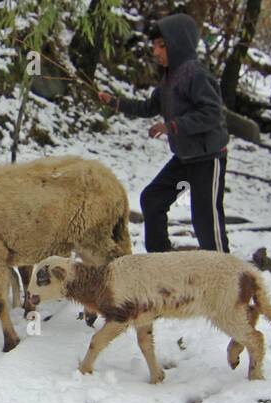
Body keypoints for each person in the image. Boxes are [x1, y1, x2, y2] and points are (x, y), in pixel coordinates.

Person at [97, 13, 230, 253]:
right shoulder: (170, 78)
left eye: (162, 45)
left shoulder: (196, 75)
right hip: (184, 159)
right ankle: (162, 263)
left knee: (206, 224)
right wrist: (115, 103)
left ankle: (230, 281)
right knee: (153, 199)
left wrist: (173, 126)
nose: (156, 52)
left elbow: (212, 114)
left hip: (208, 160)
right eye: (154, 46)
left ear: (178, 44)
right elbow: (149, 107)